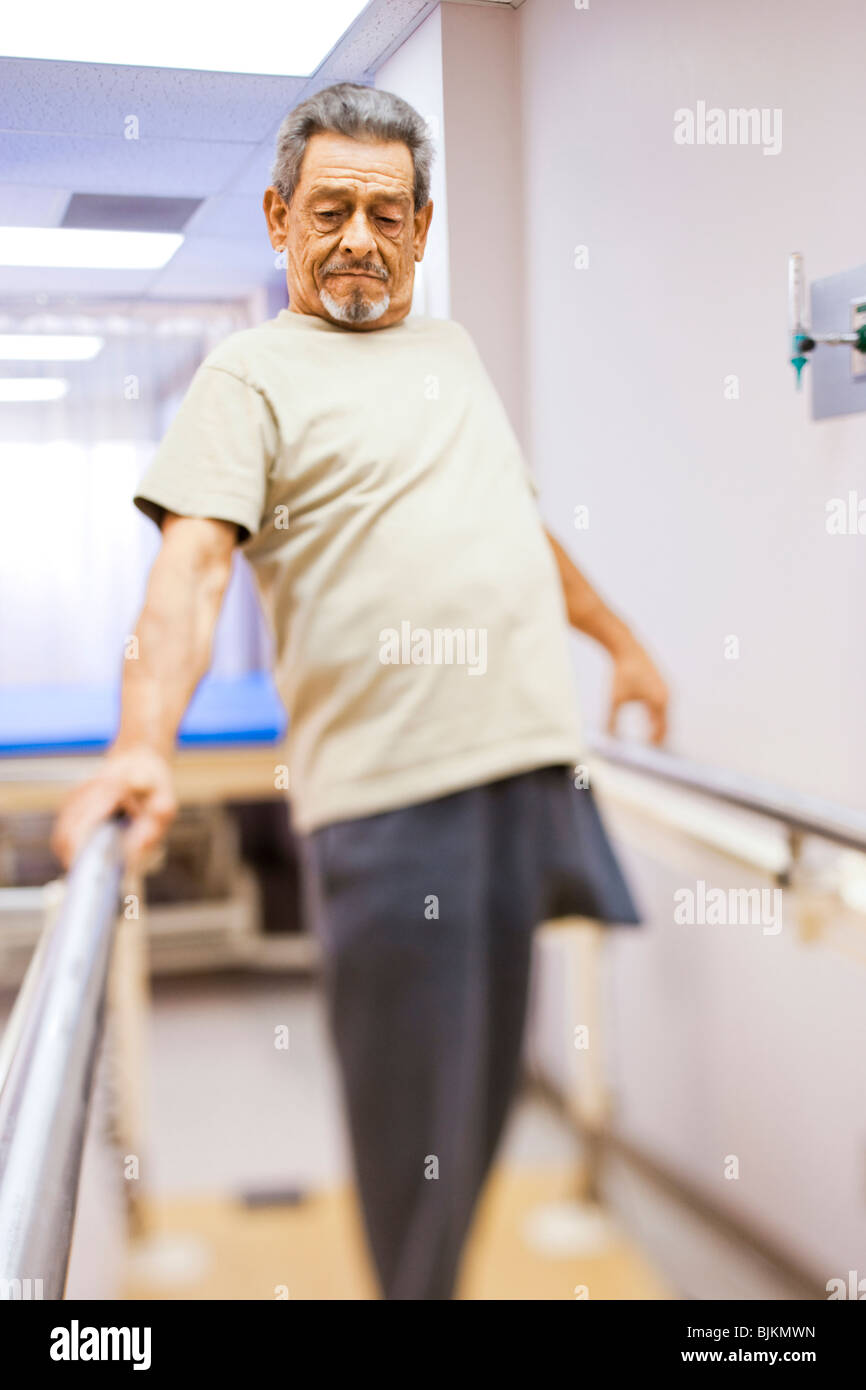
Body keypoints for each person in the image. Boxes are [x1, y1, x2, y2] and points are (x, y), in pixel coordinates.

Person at [52, 82, 668, 1300]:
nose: (357, 241)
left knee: (480, 1104)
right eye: (328, 210)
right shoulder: (250, 375)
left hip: (523, 772)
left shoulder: (451, 352)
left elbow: (513, 524)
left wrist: (619, 640)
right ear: (278, 217)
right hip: (395, 800)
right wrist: (142, 743)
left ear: (422, 230)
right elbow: (193, 564)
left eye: (385, 216)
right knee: (414, 1145)